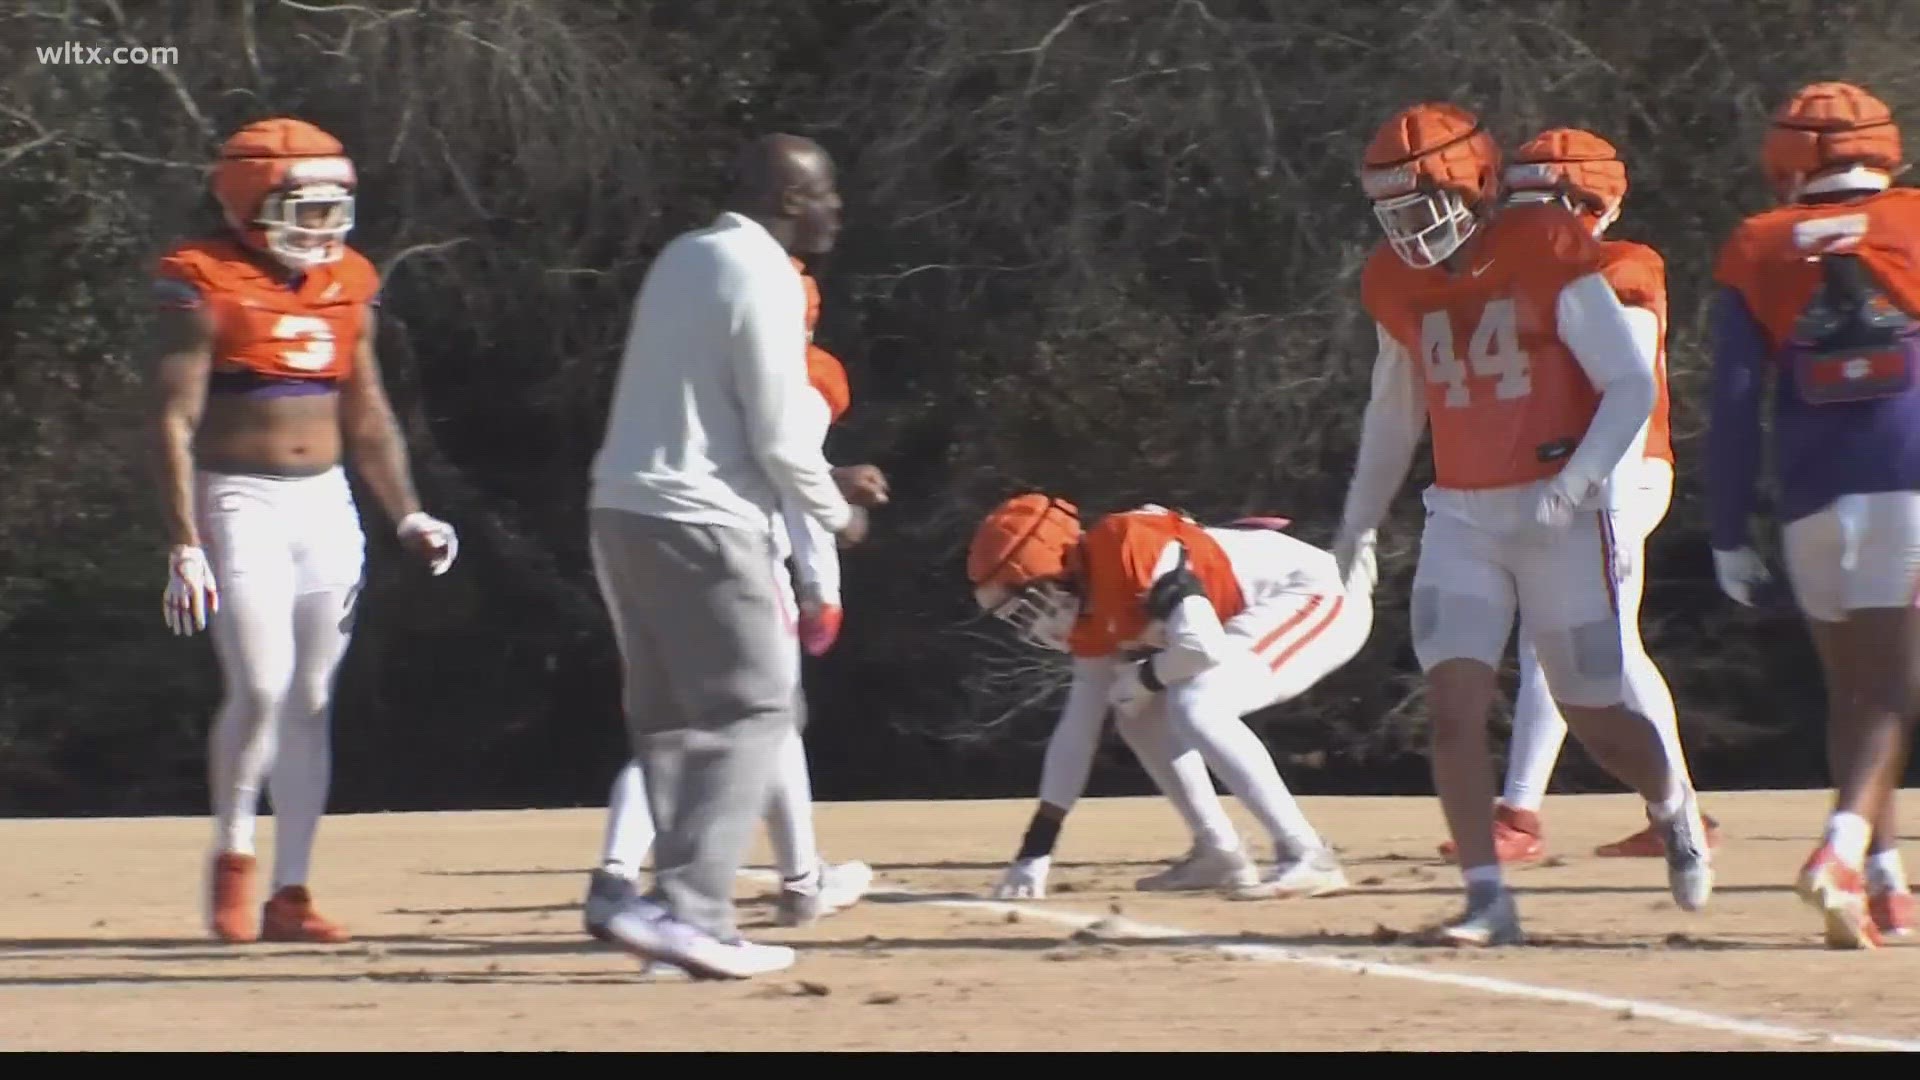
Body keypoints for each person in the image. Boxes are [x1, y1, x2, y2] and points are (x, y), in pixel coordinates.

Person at [1331, 101, 1713, 946]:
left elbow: (1631, 386)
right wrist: (1356, 523)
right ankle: (1487, 897)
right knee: (1452, 704)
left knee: (1594, 711)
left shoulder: (1544, 252)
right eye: (1389, 212)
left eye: (1418, 207)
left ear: (1470, 189)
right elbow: (1393, 413)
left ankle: (1673, 803)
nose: (1404, 231)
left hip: (1557, 511)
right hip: (1461, 512)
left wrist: (1575, 486)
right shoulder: (1396, 281)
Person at [148, 117, 458, 944]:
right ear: (253, 202)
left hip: (325, 502)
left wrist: (409, 512)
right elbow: (172, 420)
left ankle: (291, 890)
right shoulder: (200, 278)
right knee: (260, 685)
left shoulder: (349, 281)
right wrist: (183, 539)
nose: (322, 228)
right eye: (304, 207)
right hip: (239, 497)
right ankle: (233, 855)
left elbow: (368, 411)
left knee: (312, 699)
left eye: (332, 209)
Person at [584, 132, 878, 980]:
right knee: (755, 708)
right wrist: (838, 517)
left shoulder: (685, 255)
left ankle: (667, 925)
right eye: (825, 193)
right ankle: (694, 914)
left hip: (620, 510)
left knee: (671, 723)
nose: (835, 209)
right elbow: (782, 438)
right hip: (703, 520)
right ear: (789, 199)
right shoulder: (765, 274)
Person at [1433, 128, 1721, 864]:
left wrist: (1581, 484)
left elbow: (1618, 384)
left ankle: (1521, 814)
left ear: (1580, 205)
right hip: (1573, 473)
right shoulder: (1534, 263)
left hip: (1614, 469)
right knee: (1602, 646)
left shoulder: (1619, 267)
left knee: (1560, 641)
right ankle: (1674, 810)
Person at [1706, 81, 1919, 948]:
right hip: (1908, 479)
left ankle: (1884, 883)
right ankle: (1837, 853)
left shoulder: (1756, 243)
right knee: (1896, 699)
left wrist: (1725, 528)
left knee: (1855, 694)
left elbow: (1732, 400)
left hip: (1807, 497)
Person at [967, 495, 1377, 901]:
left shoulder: (1132, 550)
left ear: (1053, 570)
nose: (1031, 623)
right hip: (1259, 615)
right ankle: (1219, 851)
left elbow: (1201, 647)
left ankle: (1307, 853)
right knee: (1138, 715)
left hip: (1318, 594)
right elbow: (1078, 730)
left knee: (1199, 703)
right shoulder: (1090, 608)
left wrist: (1145, 677)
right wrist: (1035, 851)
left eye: (1028, 605)